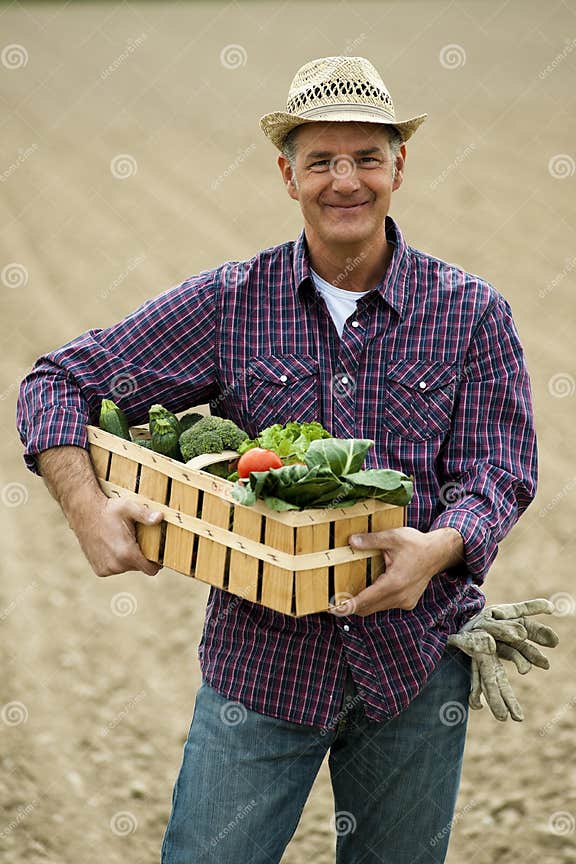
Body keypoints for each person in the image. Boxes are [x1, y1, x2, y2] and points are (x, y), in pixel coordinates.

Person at [17, 56, 547, 863]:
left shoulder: (469, 313)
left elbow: (499, 471)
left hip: (415, 668)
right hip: (259, 674)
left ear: (398, 165)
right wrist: (89, 511)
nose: (346, 180)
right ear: (286, 173)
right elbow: (55, 381)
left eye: (367, 157)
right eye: (321, 160)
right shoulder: (231, 302)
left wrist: (437, 548)